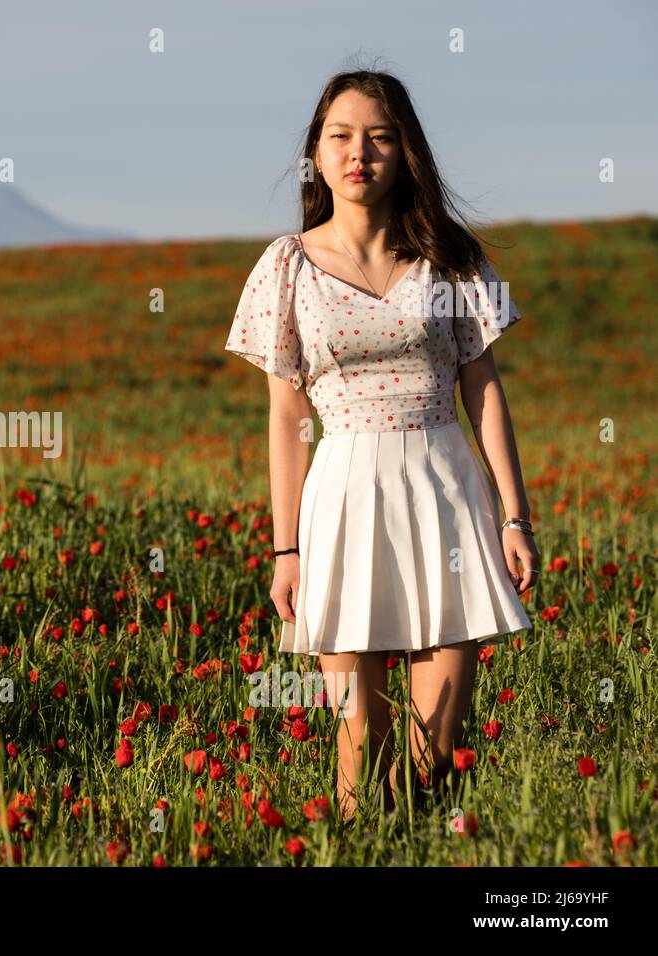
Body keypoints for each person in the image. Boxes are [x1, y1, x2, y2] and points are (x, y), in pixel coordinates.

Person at [224, 70, 538, 820]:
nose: (358, 152)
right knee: (360, 743)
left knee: (438, 754)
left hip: (446, 494)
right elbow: (287, 418)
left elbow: (484, 391)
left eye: (380, 137)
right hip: (340, 498)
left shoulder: (452, 259)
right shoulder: (285, 266)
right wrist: (285, 549)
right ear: (316, 154)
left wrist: (516, 517)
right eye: (340, 136)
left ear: (406, 153)